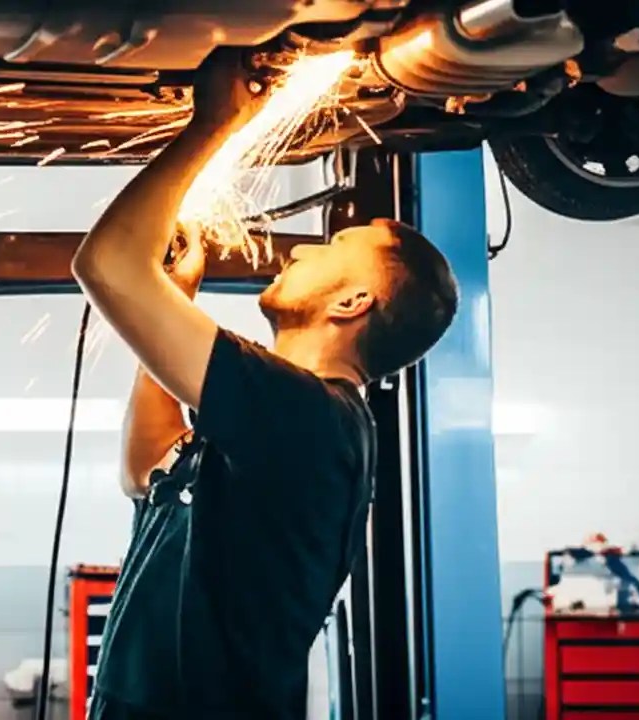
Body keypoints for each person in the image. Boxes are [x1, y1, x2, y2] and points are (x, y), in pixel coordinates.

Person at [72, 49, 459, 719]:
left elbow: (106, 263)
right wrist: (175, 295)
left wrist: (211, 126)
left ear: (352, 302)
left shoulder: (308, 415)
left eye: (331, 249)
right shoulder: (302, 422)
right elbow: (146, 469)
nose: (304, 249)